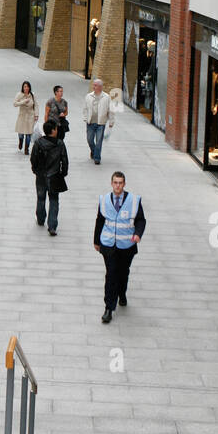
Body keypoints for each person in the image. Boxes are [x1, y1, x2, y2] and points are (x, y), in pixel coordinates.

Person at [94, 170, 146, 321]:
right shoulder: (104, 200)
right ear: (111, 184)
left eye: (120, 183)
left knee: (123, 273)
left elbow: (141, 220)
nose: (117, 186)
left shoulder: (134, 200)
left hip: (126, 245)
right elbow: (100, 220)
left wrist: (138, 234)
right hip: (108, 244)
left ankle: (122, 293)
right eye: (115, 183)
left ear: (124, 184)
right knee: (111, 274)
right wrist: (96, 241)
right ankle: (109, 308)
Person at [30, 120, 69, 236]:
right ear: (52, 130)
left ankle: (41, 219)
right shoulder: (59, 144)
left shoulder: (38, 143)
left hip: (41, 176)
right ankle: (52, 226)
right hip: (54, 175)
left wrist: (35, 170)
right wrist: (63, 173)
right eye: (56, 128)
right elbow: (65, 160)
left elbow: (33, 159)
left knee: (41, 198)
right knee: (54, 200)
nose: (57, 130)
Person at [82, 78, 116, 165]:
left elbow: (111, 110)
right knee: (89, 140)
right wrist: (85, 118)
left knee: (98, 142)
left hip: (101, 123)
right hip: (90, 122)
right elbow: (85, 108)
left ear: (100, 87)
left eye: (95, 85)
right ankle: (94, 152)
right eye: (93, 85)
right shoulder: (88, 96)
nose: (93, 87)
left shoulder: (106, 97)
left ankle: (97, 158)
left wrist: (111, 122)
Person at [13, 81, 38, 156]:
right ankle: (20, 141)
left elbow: (36, 105)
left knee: (29, 134)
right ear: (22, 87)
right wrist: (23, 102)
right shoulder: (19, 94)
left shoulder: (32, 95)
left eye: (27, 86)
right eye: (24, 87)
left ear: (29, 87)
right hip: (22, 116)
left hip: (30, 116)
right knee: (21, 133)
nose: (26, 88)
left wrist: (36, 115)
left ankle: (26, 148)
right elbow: (14, 104)